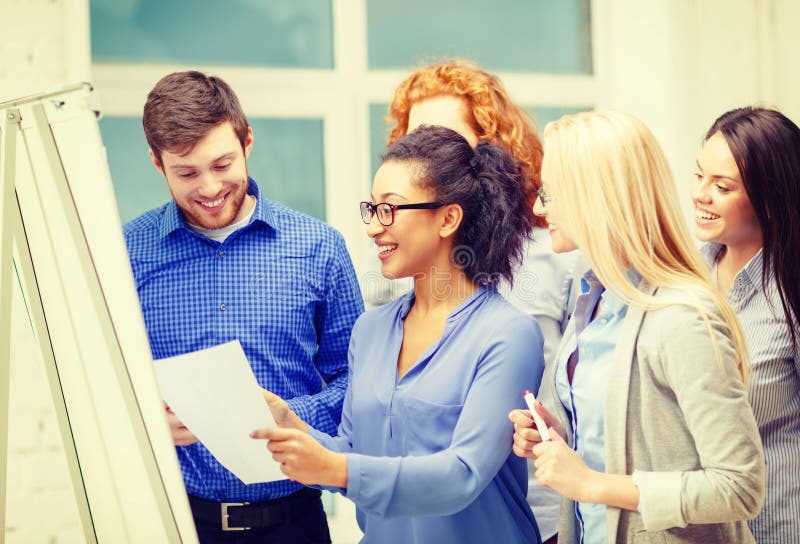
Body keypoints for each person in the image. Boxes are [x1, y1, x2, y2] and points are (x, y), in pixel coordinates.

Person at [252, 125, 545, 543]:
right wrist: (290, 424)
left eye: (389, 209)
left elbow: (462, 475)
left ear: (447, 218)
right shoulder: (370, 330)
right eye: (371, 209)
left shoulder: (508, 335)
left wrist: (337, 468)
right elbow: (352, 453)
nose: (373, 227)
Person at [124, 70, 364, 543]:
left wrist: (288, 416)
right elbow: (100, 381)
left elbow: (359, 383)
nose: (210, 188)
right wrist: (145, 414)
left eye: (222, 164)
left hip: (295, 522)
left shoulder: (319, 248)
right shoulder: (126, 254)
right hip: (177, 523)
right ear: (157, 163)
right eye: (187, 172)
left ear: (247, 140)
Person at [509, 111, 765, 543]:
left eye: (549, 194)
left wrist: (592, 484)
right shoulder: (592, 298)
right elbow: (627, 439)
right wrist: (560, 436)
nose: (537, 207)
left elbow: (739, 486)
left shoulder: (682, 317)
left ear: (593, 197)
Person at [386, 61, 581, 542]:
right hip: (439, 520)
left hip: (540, 513)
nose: (429, 152)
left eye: (445, 135)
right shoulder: (409, 264)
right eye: (417, 137)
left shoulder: (554, 252)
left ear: (488, 148)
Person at [692, 106, 800, 543]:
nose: (701, 194)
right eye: (698, 176)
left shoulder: (788, 299)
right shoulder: (682, 282)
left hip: (774, 525)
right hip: (698, 527)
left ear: (771, 200)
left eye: (722, 186)